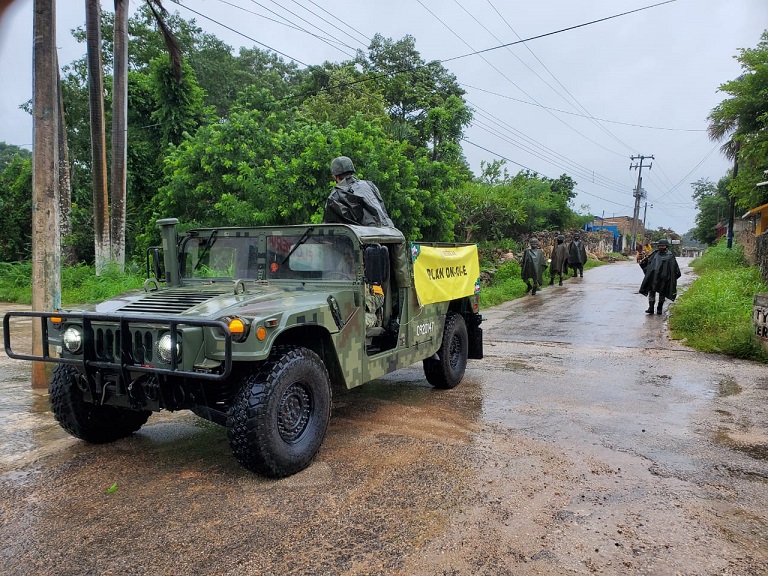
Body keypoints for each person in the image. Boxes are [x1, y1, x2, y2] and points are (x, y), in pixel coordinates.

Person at [323, 156, 394, 227]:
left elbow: (328, 229)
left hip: (362, 236)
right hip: (388, 232)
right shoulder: (369, 185)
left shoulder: (335, 196)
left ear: (335, 176)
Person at [638, 239, 681, 315]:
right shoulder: (654, 254)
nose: (661, 247)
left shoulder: (670, 256)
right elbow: (647, 263)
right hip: (653, 277)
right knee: (651, 292)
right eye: (660, 246)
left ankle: (659, 308)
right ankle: (651, 308)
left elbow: (674, 268)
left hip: (664, 278)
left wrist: (671, 277)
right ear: (658, 246)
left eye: (663, 246)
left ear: (666, 246)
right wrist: (642, 262)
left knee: (662, 293)